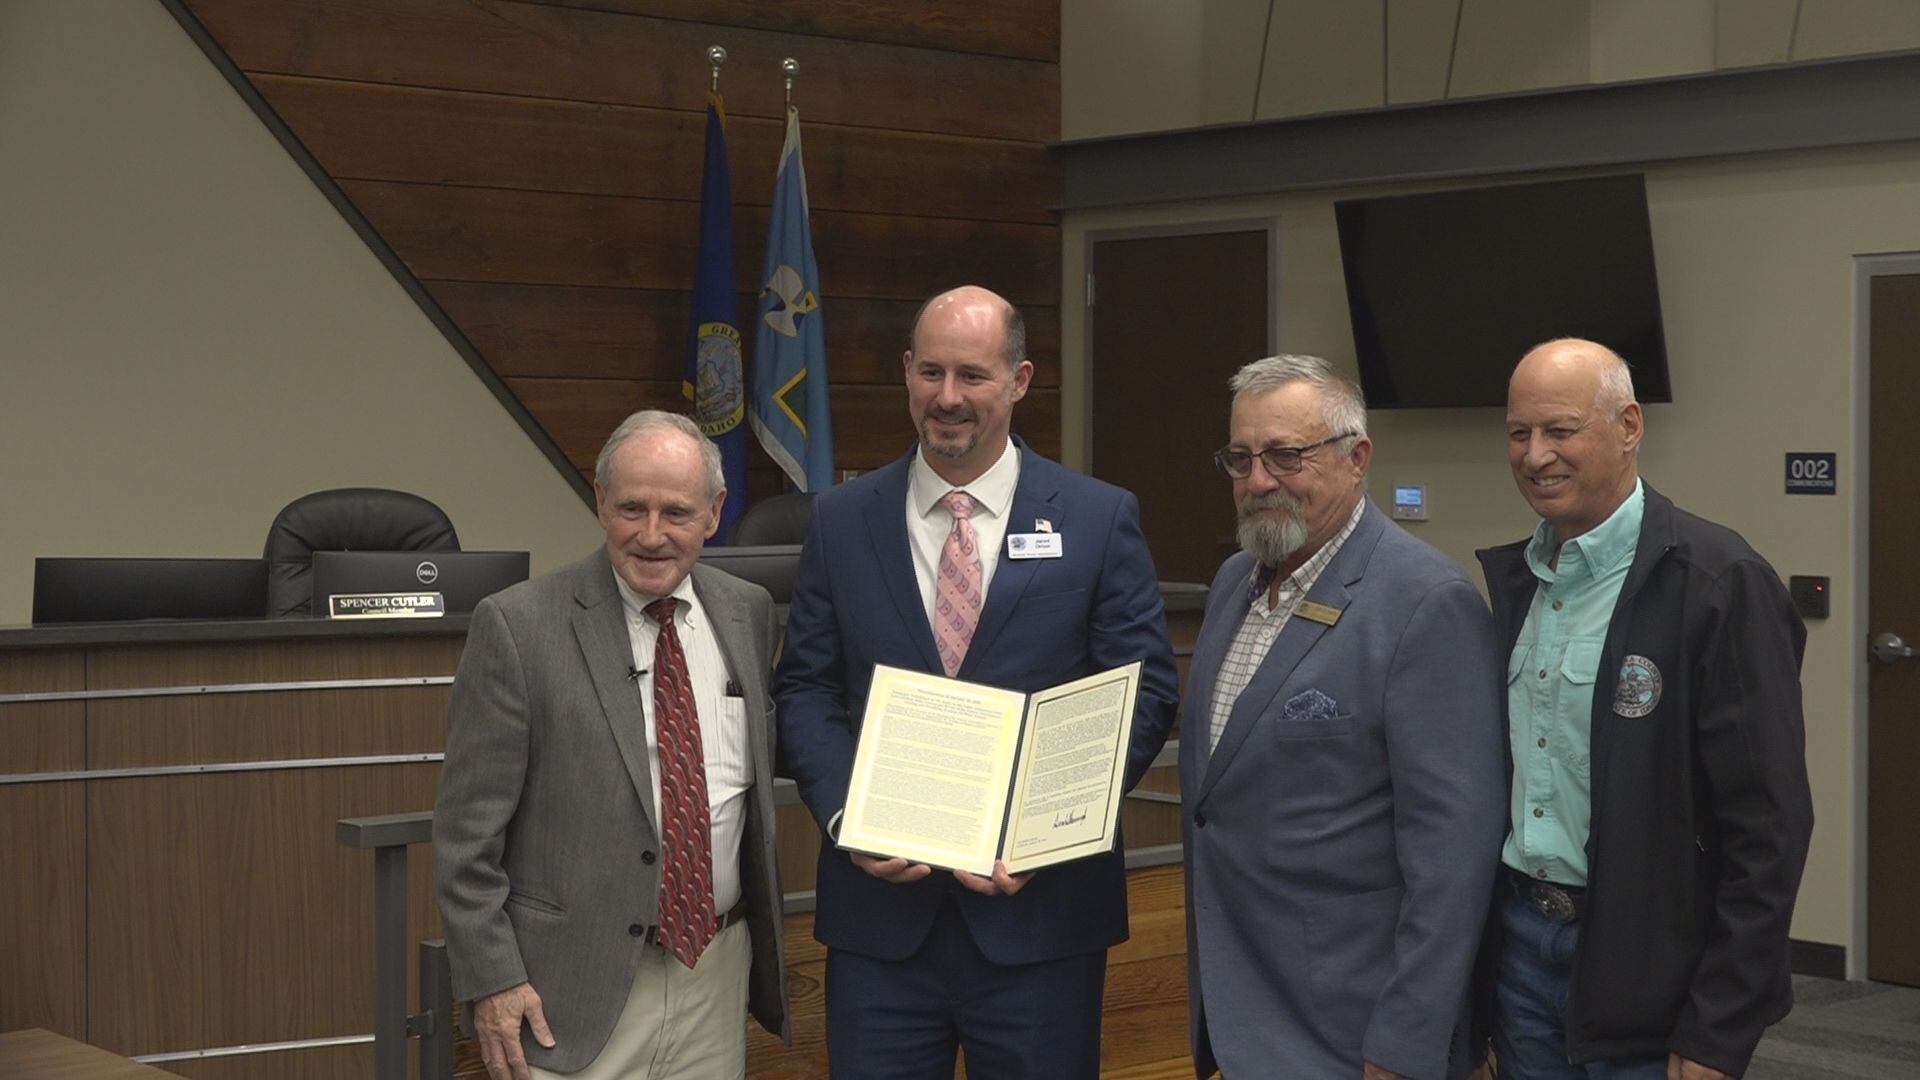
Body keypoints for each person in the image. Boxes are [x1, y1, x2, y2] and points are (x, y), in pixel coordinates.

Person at [773, 284, 1179, 1079]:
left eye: (973, 376)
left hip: (1042, 918)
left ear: (1020, 380)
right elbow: (809, 690)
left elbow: (1141, 694)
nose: (947, 398)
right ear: (906, 373)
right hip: (879, 926)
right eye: (930, 373)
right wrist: (847, 814)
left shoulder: (1098, 519)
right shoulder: (841, 521)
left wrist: (1051, 831)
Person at [1479, 339, 1813, 1079]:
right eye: (1518, 433)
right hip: (1521, 957)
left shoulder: (1718, 584)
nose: (1536, 456)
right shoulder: (1518, 585)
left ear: (1629, 427)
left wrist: (1720, 1025)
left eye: (1560, 430)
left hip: (1654, 985)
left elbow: (1769, 828)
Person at [434, 410, 788, 1080]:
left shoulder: (747, 609)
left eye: (676, 512)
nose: (651, 535)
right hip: (569, 990)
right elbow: (465, 835)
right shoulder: (518, 626)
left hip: (713, 973)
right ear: (600, 502)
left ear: (715, 512)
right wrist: (494, 979)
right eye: (631, 508)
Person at [1180, 355, 1506, 1079]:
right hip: (1240, 1012)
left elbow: (1452, 859)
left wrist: (1406, 1041)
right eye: (1242, 457)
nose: (1259, 480)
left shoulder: (1425, 603)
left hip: (1352, 1029)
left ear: (1356, 458)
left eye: (1287, 456)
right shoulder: (1235, 582)